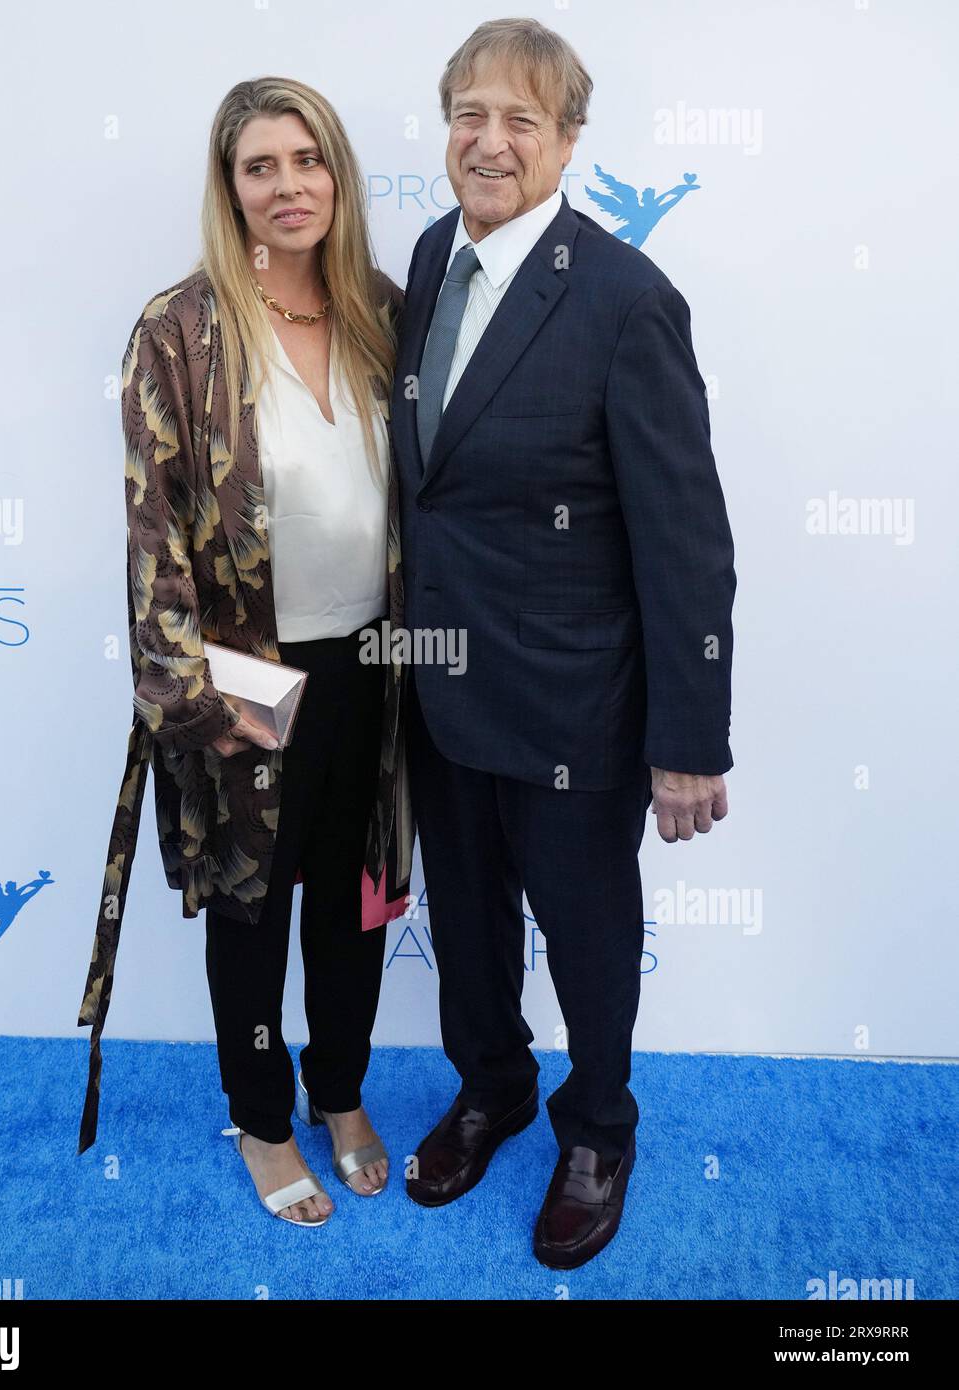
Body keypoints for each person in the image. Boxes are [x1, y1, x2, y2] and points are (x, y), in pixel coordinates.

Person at [392, 19, 736, 1268]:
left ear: (569, 142)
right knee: (467, 923)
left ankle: (596, 1126)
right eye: (468, 116)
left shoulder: (625, 301)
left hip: (574, 706)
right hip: (435, 689)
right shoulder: (432, 257)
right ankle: (491, 1086)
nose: (488, 143)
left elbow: (685, 539)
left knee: (585, 934)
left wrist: (688, 740)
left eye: (519, 122)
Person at [76, 77, 415, 1229]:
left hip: (378, 663)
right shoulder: (179, 329)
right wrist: (185, 693)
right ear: (229, 188)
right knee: (253, 908)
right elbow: (151, 526)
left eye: (306, 160)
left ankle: (342, 1093)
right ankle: (264, 1119)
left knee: (356, 905)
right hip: (247, 675)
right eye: (259, 166)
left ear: (338, 173)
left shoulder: (381, 307)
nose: (287, 186)